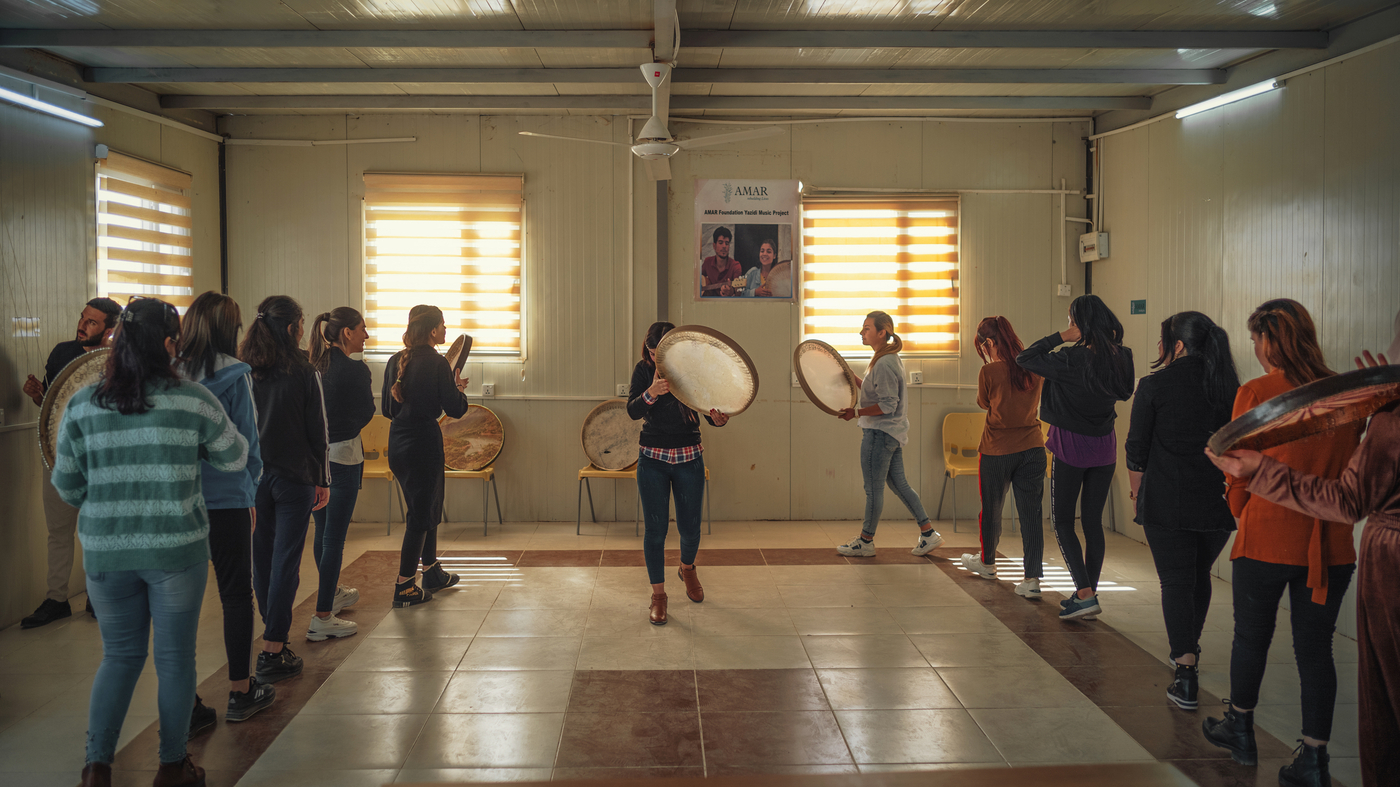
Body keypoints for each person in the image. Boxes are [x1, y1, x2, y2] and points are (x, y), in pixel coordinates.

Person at [52, 297, 247, 787]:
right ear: (167, 344)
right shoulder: (192, 399)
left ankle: (97, 767)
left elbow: (68, 486)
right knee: (175, 660)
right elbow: (234, 457)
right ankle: (171, 765)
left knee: (118, 657)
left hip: (106, 551)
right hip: (175, 551)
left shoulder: (82, 404)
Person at [1206, 315, 1400, 787]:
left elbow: (1237, 464)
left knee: (1250, 638)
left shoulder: (1256, 392)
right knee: (1316, 651)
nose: (1254, 347)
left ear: (1270, 339)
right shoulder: (1347, 394)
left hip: (1268, 535)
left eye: (1256, 338)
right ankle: (1315, 756)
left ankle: (1241, 729)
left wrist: (1240, 506)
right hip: (1329, 547)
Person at [1124, 311, 1239, 711]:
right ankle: (1189, 649)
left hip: (1167, 501)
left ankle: (1185, 671)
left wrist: (1137, 495)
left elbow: (1136, 448)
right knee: (1197, 577)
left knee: (1175, 581)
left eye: (1162, 341)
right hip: (1216, 503)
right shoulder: (1228, 387)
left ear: (1177, 345)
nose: (1159, 348)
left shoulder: (1154, 385)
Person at [176, 292, 277, 725]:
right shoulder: (237, 376)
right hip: (228, 501)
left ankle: (187, 703)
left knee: (178, 602)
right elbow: (249, 444)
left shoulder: (168, 375)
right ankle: (241, 691)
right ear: (227, 330)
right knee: (236, 594)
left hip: (179, 502)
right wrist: (248, 491)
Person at [1016, 294, 1134, 621]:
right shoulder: (1122, 356)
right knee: (1093, 522)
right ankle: (1088, 593)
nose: (1069, 326)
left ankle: (1084, 594)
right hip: (1105, 445)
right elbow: (1125, 392)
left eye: (1071, 320)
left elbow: (1024, 357)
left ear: (1078, 324)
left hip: (1071, 445)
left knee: (1063, 522)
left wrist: (1062, 338)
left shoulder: (1070, 358)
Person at [238, 295, 330, 684]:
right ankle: (274, 646)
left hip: (254, 481)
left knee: (262, 560)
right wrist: (323, 479)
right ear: (293, 327)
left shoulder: (244, 371)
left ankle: (271, 630)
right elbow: (318, 430)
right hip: (295, 480)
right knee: (286, 563)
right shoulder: (305, 370)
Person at [21, 296, 122, 629]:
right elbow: (54, 406)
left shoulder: (119, 359)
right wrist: (38, 394)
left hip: (102, 461)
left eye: (92, 322)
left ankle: (98, 595)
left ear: (110, 330)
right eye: (83, 318)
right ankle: (56, 598)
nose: (82, 325)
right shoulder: (62, 352)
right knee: (59, 531)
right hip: (59, 456)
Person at [627, 321, 729, 625]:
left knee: (690, 527)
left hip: (688, 457)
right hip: (653, 458)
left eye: (662, 350)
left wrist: (718, 419)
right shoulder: (643, 370)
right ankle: (658, 596)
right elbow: (632, 410)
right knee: (655, 531)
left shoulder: (693, 369)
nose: (656, 355)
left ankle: (687, 568)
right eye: (651, 350)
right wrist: (651, 393)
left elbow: (709, 408)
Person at [835, 311, 943, 559]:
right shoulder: (886, 358)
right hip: (891, 434)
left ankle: (865, 541)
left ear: (882, 332)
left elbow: (887, 405)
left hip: (879, 435)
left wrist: (855, 413)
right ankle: (928, 533)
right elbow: (878, 392)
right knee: (898, 484)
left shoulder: (884, 362)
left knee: (873, 490)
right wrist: (855, 379)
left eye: (866, 328)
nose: (861, 333)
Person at [383, 305, 468, 607]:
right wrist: (458, 388)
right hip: (424, 444)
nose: (446, 330)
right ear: (432, 330)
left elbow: (386, 409)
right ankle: (405, 585)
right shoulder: (437, 363)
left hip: (398, 443)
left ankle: (431, 571)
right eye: (443, 325)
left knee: (427, 506)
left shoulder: (395, 360)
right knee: (421, 515)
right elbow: (456, 409)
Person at [959, 316, 1045, 599]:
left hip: (997, 450)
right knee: (1031, 514)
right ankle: (1032, 579)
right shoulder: (1034, 367)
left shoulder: (990, 372)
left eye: (983, 347)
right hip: (1033, 447)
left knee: (992, 509)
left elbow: (984, 403)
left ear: (990, 342)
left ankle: (987, 562)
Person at [306, 307, 375, 640]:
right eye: (363, 328)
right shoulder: (355, 370)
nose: (366, 335)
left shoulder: (313, 366)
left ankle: (330, 593)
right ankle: (322, 615)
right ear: (346, 332)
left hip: (315, 459)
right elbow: (366, 413)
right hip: (344, 457)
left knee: (322, 532)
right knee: (334, 538)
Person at [700, 226, 742, 297]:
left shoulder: (735, 266)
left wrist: (731, 291)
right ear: (714, 246)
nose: (724, 246)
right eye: (720, 242)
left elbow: (738, 292)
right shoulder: (707, 262)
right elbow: (696, 278)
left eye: (727, 243)